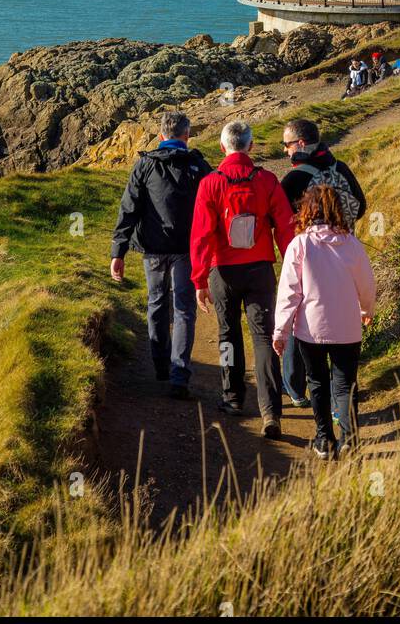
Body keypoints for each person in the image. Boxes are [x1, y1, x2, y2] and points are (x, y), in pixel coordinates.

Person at [190, 119, 295, 438]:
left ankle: (233, 399)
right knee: (264, 338)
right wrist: (294, 267)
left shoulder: (211, 182)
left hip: (222, 271)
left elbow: (201, 235)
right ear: (250, 146)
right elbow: (286, 228)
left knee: (228, 334)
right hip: (260, 268)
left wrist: (199, 279)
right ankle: (271, 412)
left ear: (222, 147)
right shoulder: (266, 180)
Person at [110, 110, 212, 399]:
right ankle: (179, 375)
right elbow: (214, 203)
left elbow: (128, 209)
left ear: (161, 136)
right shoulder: (198, 164)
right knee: (183, 309)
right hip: (186, 249)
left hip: (153, 249)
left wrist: (119, 251)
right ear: (186, 135)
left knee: (156, 302)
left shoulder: (144, 164)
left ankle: (160, 363)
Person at [273, 183, 376, 459]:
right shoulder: (352, 243)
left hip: (311, 330)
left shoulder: (300, 245)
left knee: (317, 382)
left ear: (307, 210)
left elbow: (289, 293)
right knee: (345, 384)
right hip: (347, 328)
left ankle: (324, 440)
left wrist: (280, 331)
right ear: (337, 211)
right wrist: (367, 309)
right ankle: (349, 438)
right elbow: (366, 283)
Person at [279, 117, 367, 408]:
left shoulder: (296, 178)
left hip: (308, 256)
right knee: (341, 321)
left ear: (300, 144)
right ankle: (340, 392)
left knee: (299, 316)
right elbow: (362, 206)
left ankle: (295, 386)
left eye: (287, 145)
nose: (286, 151)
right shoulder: (340, 167)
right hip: (345, 253)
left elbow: (276, 215)